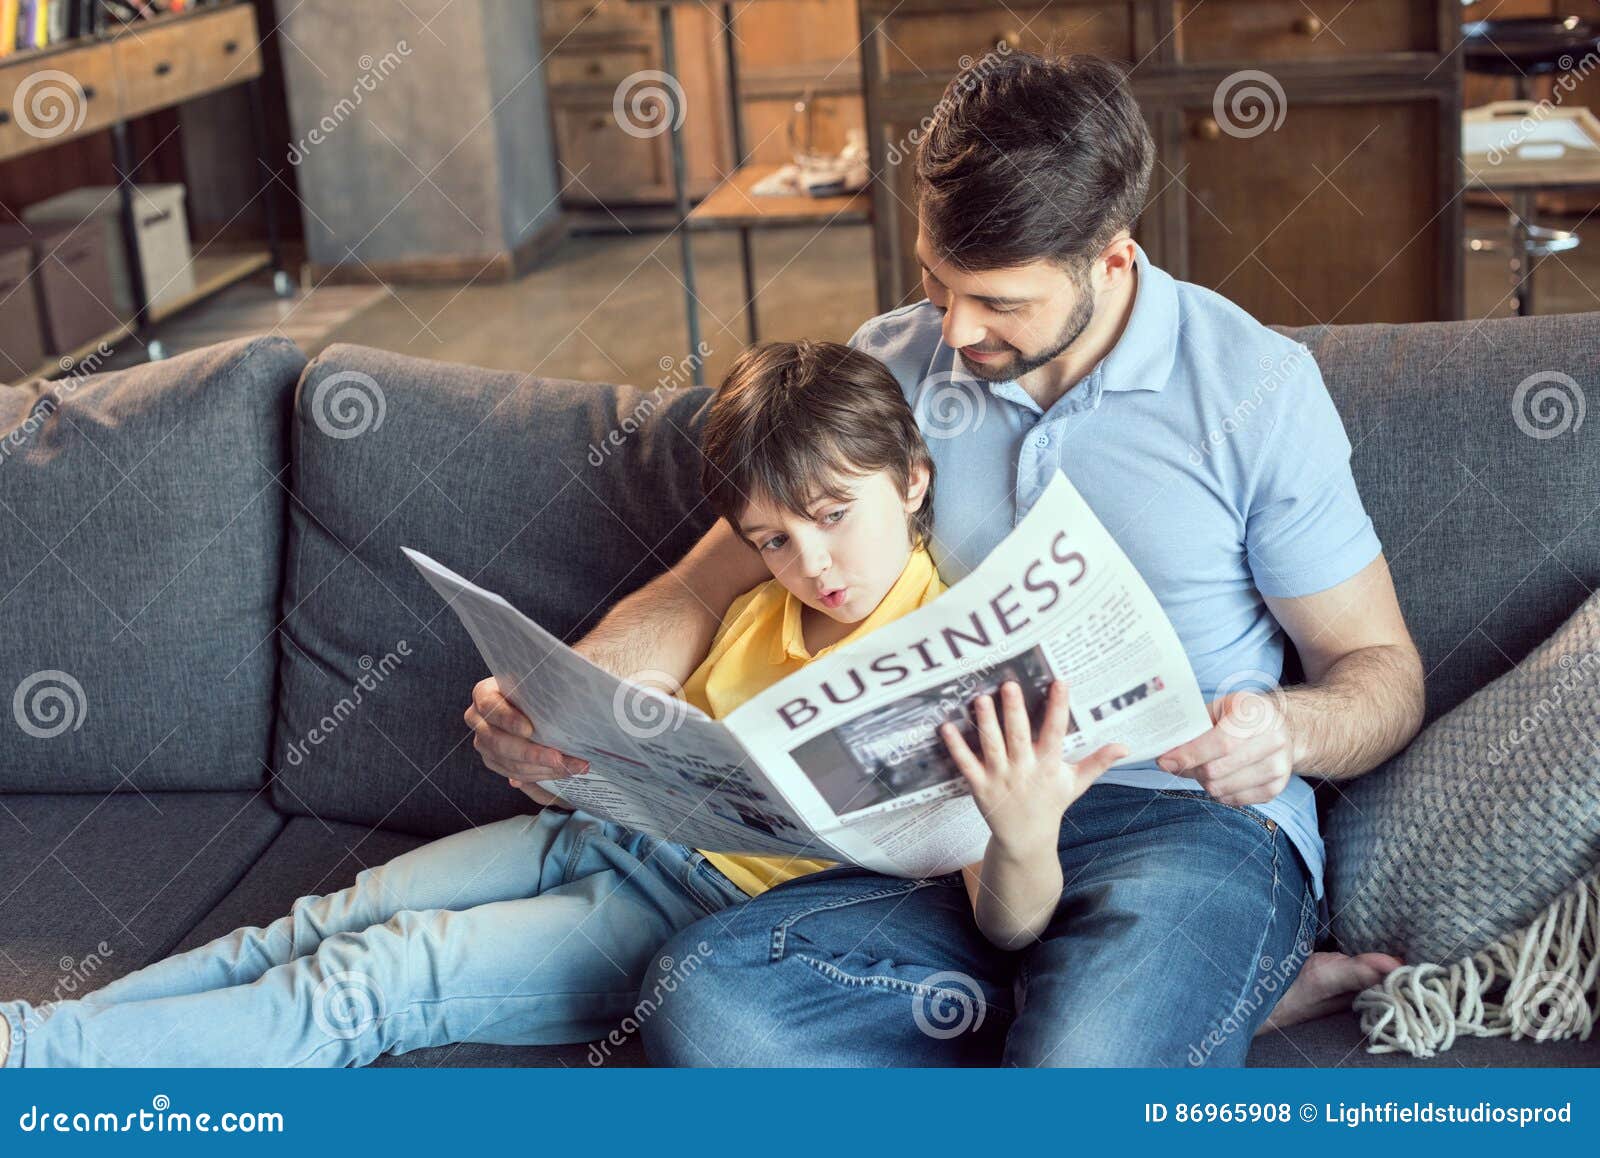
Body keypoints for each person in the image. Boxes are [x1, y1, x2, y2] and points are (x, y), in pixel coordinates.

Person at [474, 52, 1421, 1067]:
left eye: (998, 301)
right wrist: (569, 704)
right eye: (936, 280)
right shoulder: (891, 363)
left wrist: (1284, 729)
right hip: (942, 841)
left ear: (1111, 260)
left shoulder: (1255, 390)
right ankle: (1179, 1006)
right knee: (705, 1005)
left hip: (1181, 825)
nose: (955, 328)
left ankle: (1130, 1008)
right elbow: (703, 582)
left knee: (1080, 1072)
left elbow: (1381, 675)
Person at [0, 339, 1029, 1068]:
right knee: (325, 917)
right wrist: (579, 736)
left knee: (383, 976)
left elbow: (1007, 917)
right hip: (601, 836)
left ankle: (47, 1074)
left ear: (912, 480)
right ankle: (35, 1043)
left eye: (834, 515)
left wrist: (1022, 832)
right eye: (772, 539)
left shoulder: (951, 654)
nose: (812, 564)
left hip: (703, 909)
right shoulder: (757, 604)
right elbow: (658, 734)